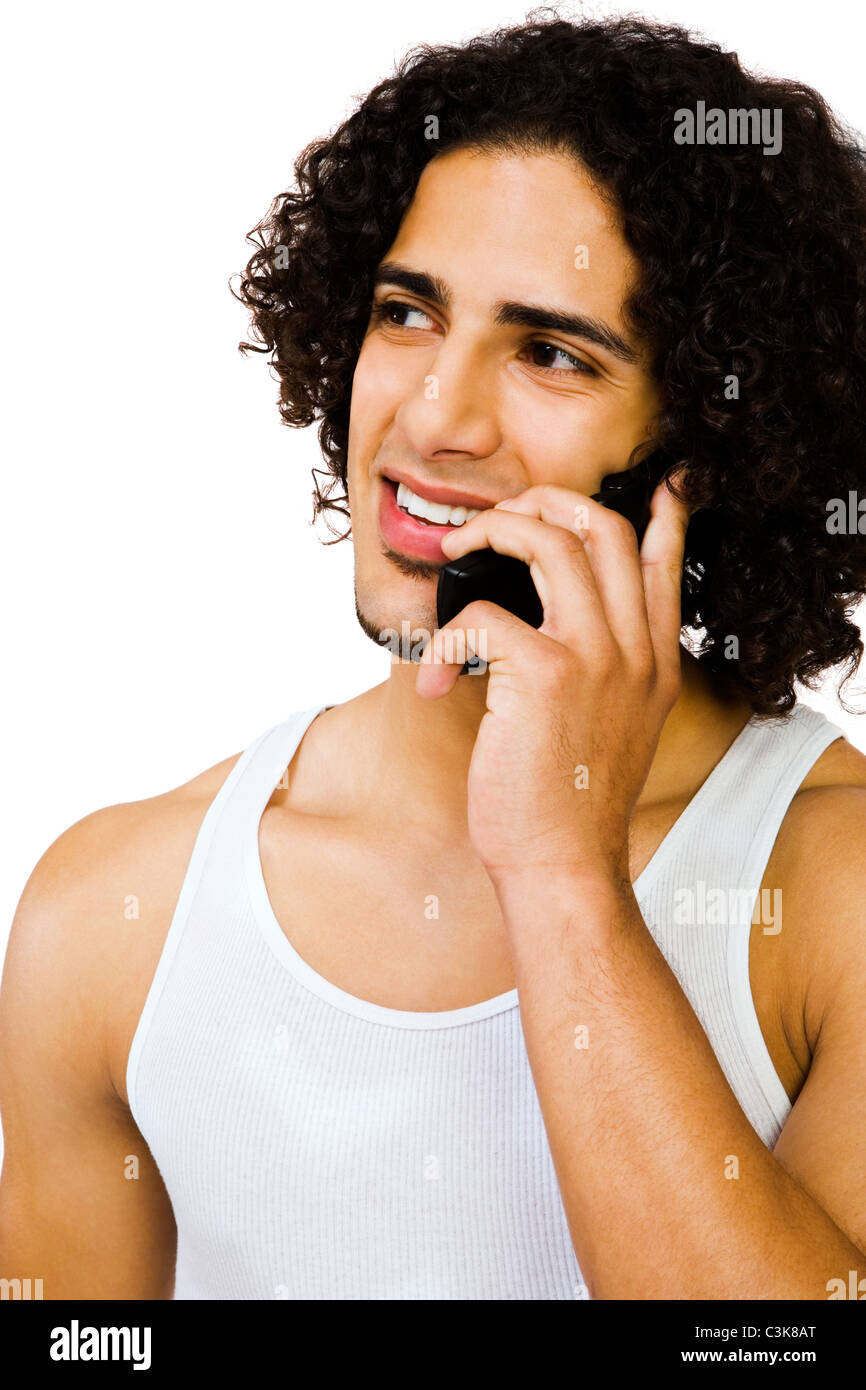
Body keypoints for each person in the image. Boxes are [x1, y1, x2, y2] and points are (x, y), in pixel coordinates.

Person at [2, 15, 866, 1301]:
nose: (432, 417)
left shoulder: (832, 893)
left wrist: (561, 871)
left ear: (702, 460)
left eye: (550, 353)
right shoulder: (114, 907)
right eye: (408, 313)